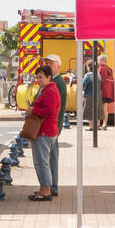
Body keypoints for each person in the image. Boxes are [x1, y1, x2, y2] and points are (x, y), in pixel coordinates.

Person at [27, 65, 61, 201]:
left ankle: (46, 191)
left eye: (41, 77)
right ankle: (43, 188)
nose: (38, 80)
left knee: (42, 162)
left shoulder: (50, 91)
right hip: (46, 130)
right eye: (37, 77)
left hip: (44, 131)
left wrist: (33, 110)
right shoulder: (47, 89)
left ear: (49, 77)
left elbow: (49, 111)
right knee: (42, 161)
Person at [44, 54, 66, 195]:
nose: (47, 66)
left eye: (50, 63)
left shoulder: (57, 83)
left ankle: (52, 187)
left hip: (53, 126)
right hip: (53, 126)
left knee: (51, 158)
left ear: (57, 65)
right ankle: (51, 186)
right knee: (50, 157)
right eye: (46, 63)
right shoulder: (54, 81)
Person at [98, 55, 115, 126]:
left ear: (102, 60)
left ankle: (98, 124)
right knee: (105, 109)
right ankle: (105, 124)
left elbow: (99, 80)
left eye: (98, 60)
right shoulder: (109, 69)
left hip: (102, 91)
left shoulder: (101, 68)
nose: (98, 62)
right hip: (108, 92)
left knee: (98, 108)